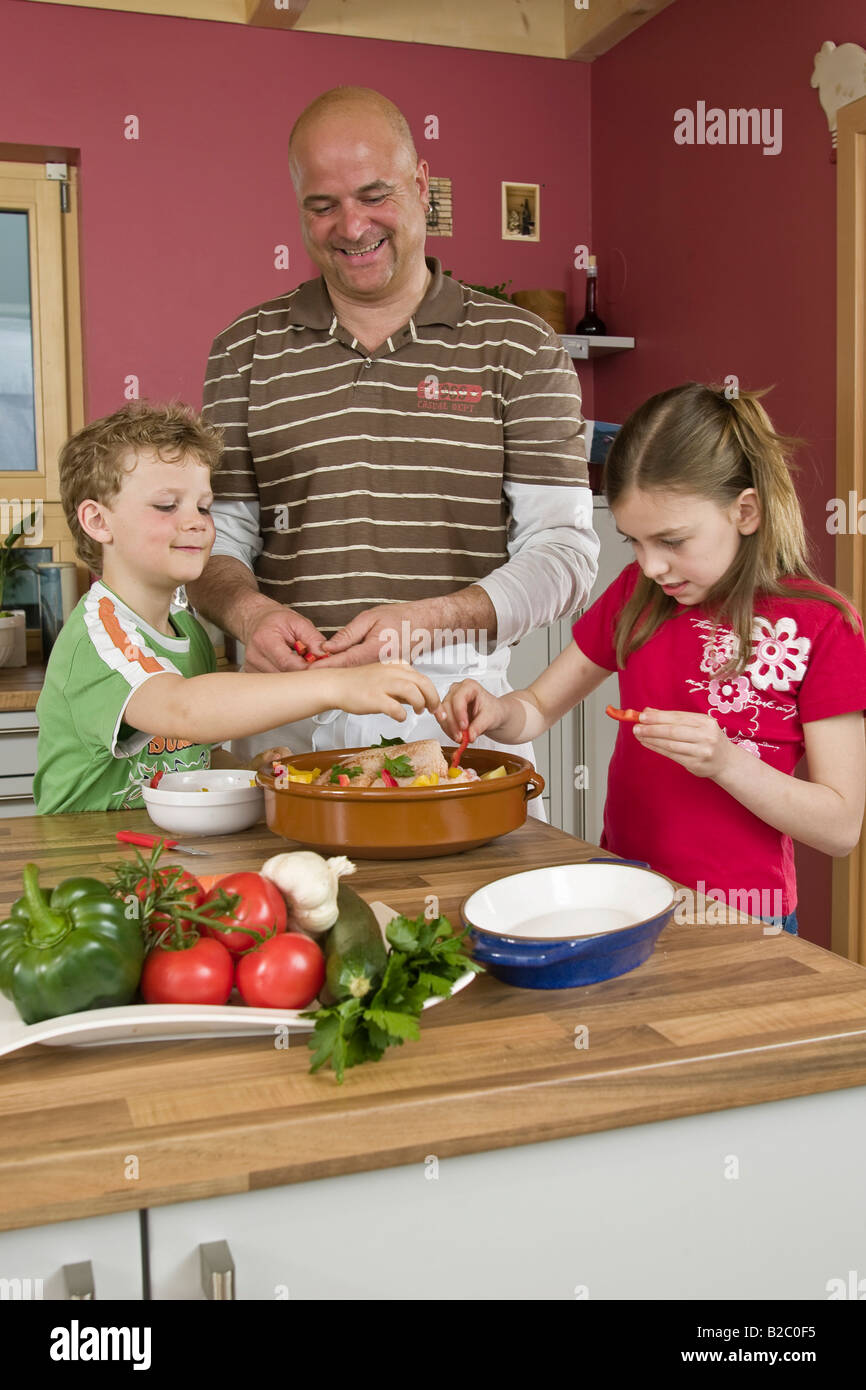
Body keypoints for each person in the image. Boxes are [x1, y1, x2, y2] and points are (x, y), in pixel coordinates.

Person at [188, 86, 598, 774]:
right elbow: (211, 543)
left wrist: (427, 621)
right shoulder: (243, 349)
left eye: (374, 195)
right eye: (323, 206)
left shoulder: (520, 347)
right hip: (283, 715)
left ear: (421, 183)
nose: (351, 226)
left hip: (453, 711)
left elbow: (565, 554)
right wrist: (248, 615)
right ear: (298, 208)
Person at [436, 383, 866, 934]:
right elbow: (539, 706)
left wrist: (727, 762)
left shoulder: (824, 624)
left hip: (742, 917)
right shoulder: (637, 593)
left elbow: (839, 827)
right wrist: (498, 711)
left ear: (746, 511)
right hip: (624, 893)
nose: (653, 565)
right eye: (635, 542)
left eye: (672, 540)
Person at [32, 403, 440, 813]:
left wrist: (245, 769)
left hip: (164, 850)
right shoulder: (101, 636)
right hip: (86, 852)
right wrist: (338, 685)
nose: (196, 522)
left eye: (203, 507)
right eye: (166, 505)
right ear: (98, 522)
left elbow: (195, 751)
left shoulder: (188, 633)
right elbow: (183, 709)